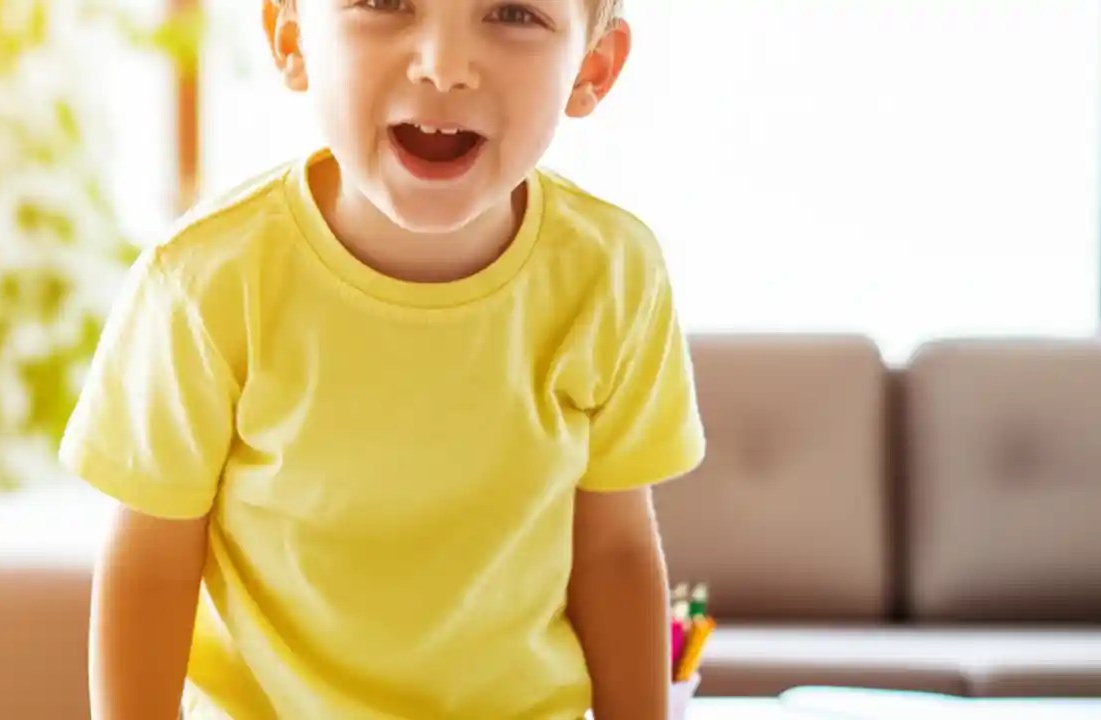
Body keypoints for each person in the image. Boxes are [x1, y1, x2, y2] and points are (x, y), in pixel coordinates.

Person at [59, 0, 705, 717]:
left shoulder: (613, 274)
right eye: (385, 2)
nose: (444, 66)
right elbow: (150, 565)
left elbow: (614, 554)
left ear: (592, 69)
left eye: (514, 14)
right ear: (291, 36)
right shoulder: (202, 284)